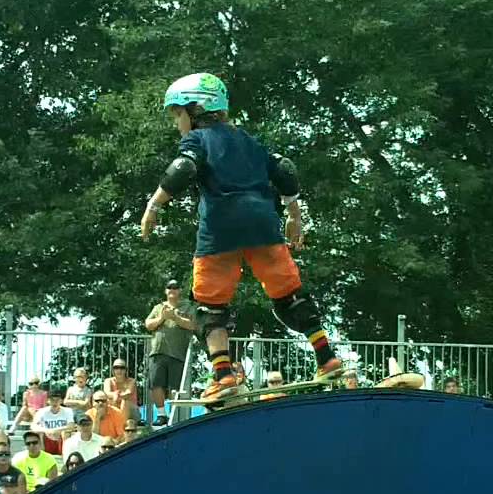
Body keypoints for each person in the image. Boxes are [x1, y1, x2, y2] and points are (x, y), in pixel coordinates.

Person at [140, 72, 342, 402]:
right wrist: (295, 217)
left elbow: (184, 169)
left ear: (195, 110)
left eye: (178, 114)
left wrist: (154, 205)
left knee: (211, 306)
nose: (177, 123)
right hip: (264, 224)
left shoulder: (199, 140)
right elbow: (284, 170)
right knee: (290, 293)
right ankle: (327, 358)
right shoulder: (250, 141)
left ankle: (223, 376)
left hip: (220, 227)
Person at [145, 279, 195, 425]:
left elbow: (193, 325)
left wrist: (175, 317)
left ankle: (175, 415)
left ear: (180, 290)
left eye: (175, 287)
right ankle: (162, 415)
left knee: (175, 386)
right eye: (169, 287)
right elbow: (148, 324)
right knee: (156, 384)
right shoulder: (158, 307)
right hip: (157, 351)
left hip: (178, 353)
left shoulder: (188, 307)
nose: (172, 289)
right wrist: (162, 317)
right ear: (165, 291)